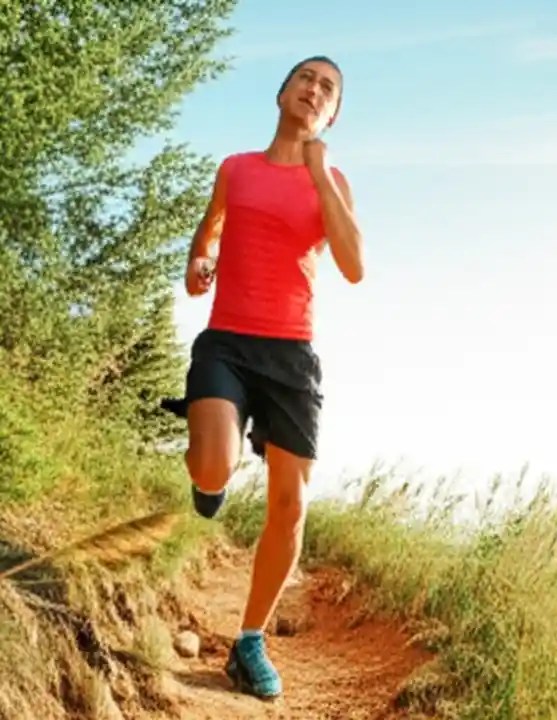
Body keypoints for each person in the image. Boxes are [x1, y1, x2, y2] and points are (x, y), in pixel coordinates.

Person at [161, 55, 363, 700]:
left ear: (332, 115)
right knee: (213, 468)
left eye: (328, 88)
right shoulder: (236, 168)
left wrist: (319, 173)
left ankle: (249, 640)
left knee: (290, 506)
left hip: (291, 356)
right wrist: (200, 257)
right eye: (306, 78)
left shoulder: (332, 181)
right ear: (281, 92)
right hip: (227, 339)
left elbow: (354, 266)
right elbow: (212, 225)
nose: (314, 89)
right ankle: (208, 475)